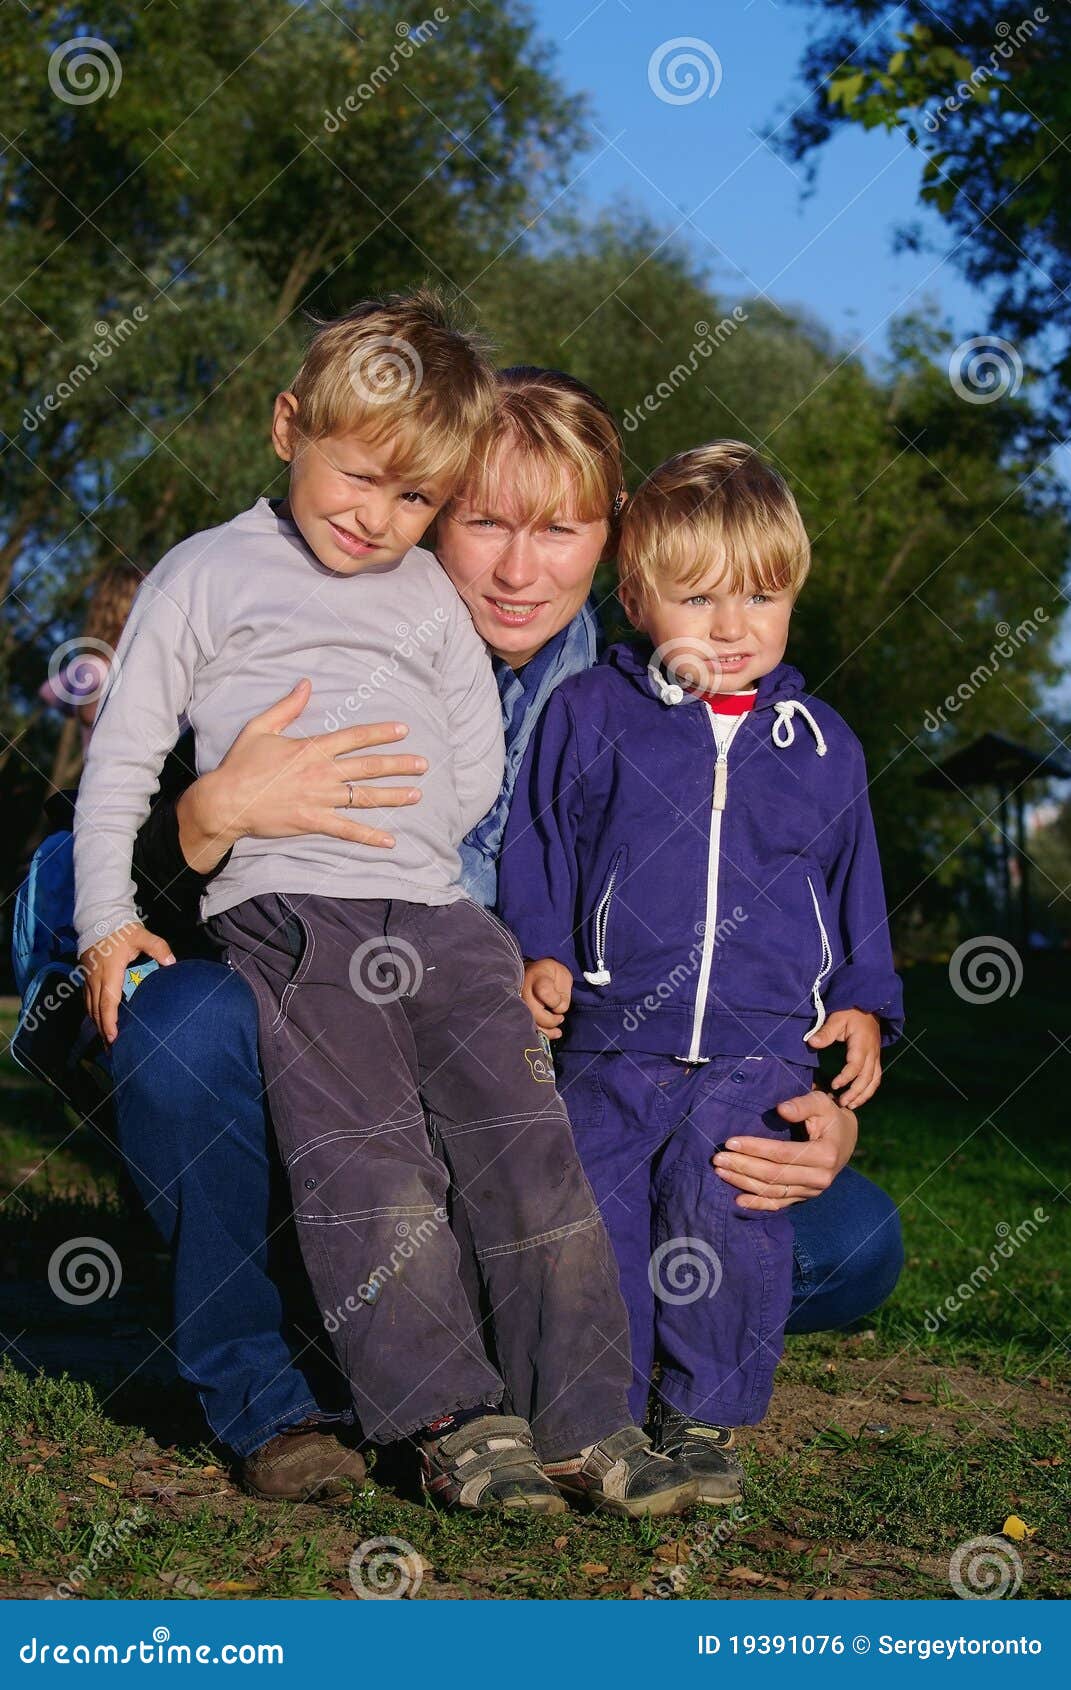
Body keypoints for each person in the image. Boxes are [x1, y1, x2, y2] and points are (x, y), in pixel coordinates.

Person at [100, 369, 901, 1503]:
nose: (520, 572)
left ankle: (476, 1318)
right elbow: (133, 878)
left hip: (568, 1104)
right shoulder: (317, 622)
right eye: (480, 523)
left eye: (562, 530)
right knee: (181, 1023)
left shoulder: (643, 694)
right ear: (431, 508)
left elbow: (784, 908)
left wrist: (816, 1100)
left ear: (615, 544)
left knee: (853, 1240)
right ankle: (277, 1364)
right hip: (329, 1046)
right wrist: (206, 817)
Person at [73, 293, 697, 1520]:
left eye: (413, 499)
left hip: (443, 921)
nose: (379, 518)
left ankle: (585, 1418)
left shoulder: (476, 625)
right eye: (475, 518)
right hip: (299, 915)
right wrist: (158, 866)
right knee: (369, 1163)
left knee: (537, 1154)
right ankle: (440, 1414)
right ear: (286, 426)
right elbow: (121, 761)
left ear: (609, 539)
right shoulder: (208, 574)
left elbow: (468, 777)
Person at [499, 441, 905, 1504]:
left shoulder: (824, 745)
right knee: (601, 1222)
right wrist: (540, 949)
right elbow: (540, 844)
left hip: (760, 1044)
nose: (733, 626)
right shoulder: (592, 713)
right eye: (698, 596)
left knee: (726, 1216)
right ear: (635, 596)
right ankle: (599, 1414)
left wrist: (863, 1000)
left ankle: (706, 1415)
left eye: (762, 595)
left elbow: (854, 884)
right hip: (611, 1037)